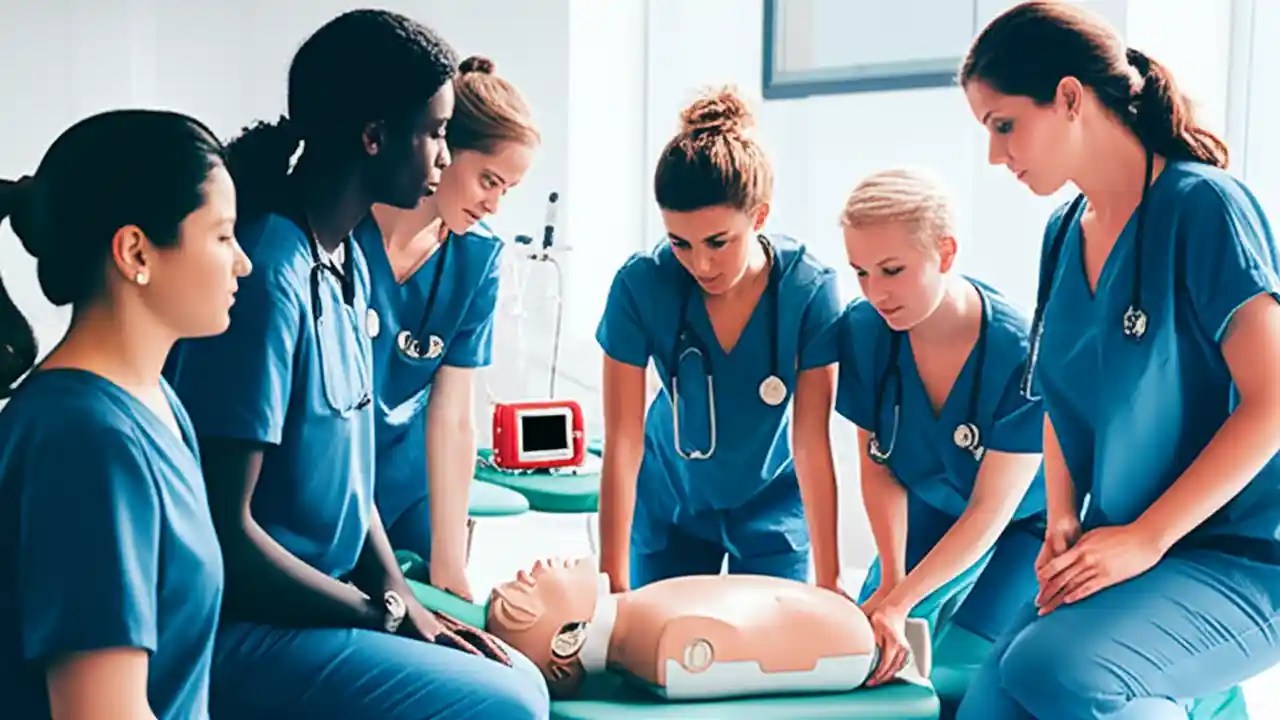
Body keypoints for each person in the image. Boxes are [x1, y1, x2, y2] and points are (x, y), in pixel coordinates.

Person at [162, 10, 549, 719]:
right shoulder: (265, 275)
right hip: (248, 629)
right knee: (508, 707)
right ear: (374, 137)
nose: (442, 157)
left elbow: (351, 484)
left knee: (522, 679)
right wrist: (383, 617)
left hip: (329, 605)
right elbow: (225, 530)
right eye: (435, 133)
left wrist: (406, 604)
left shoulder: (344, 268)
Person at [956, 2, 1280, 718]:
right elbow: (1061, 401)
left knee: (1055, 670)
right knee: (991, 702)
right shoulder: (1064, 232)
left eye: (1003, 125)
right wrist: (1064, 518)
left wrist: (1145, 537)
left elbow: (1275, 402)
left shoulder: (1205, 208)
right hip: (1123, 548)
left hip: (1241, 558)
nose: (994, 154)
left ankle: (1195, 696)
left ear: (1070, 98)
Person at [0, 110, 250, 719]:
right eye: (222, 236)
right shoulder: (84, 442)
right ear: (136, 250)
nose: (243, 262)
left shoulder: (157, 403)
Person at [595, 87, 845, 594]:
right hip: (671, 506)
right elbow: (623, 441)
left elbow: (812, 442)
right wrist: (610, 580)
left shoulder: (809, 289)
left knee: (772, 663)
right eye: (679, 243)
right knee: (659, 660)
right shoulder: (641, 285)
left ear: (758, 216)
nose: (700, 264)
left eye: (718, 242)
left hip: (772, 509)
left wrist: (832, 577)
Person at [835, 168, 1046, 695]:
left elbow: (989, 512)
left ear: (945, 254)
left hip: (1020, 525)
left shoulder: (1020, 355)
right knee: (869, 653)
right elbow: (878, 467)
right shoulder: (863, 333)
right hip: (926, 507)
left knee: (959, 676)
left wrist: (906, 598)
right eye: (860, 273)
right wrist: (891, 582)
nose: (875, 293)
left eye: (892, 270)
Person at [356, 54, 540, 602]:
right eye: (489, 179)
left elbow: (454, 416)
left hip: (411, 496)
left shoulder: (477, 259)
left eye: (508, 189)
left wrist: (450, 560)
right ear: (441, 147)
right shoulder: (346, 231)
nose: (494, 203)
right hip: (329, 489)